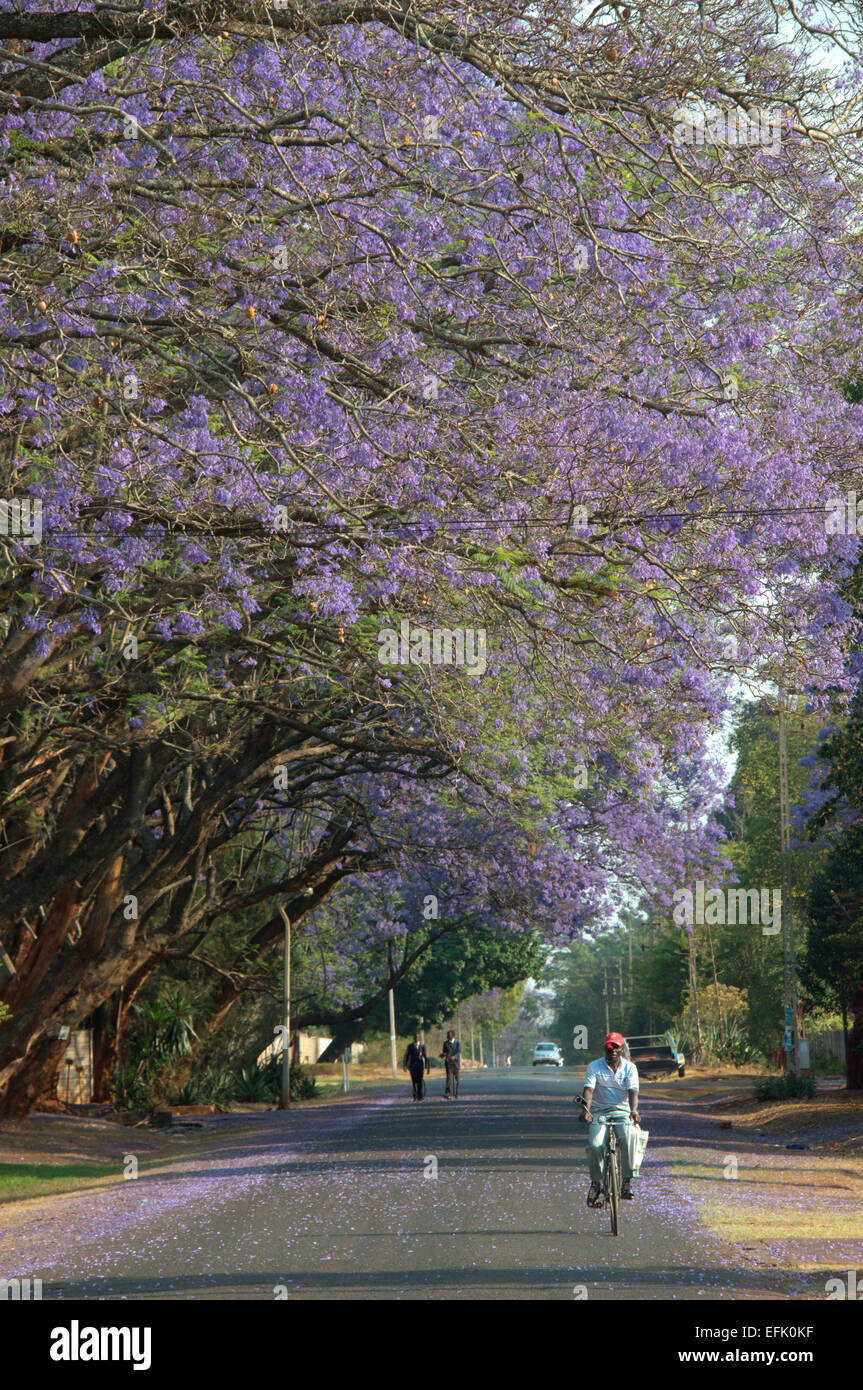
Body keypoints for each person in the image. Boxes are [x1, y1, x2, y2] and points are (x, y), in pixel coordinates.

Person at [576, 1031, 640, 1205]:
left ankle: (626, 1181)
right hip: (599, 1112)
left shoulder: (630, 1068)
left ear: (621, 1049)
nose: (612, 1050)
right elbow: (588, 1091)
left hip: (622, 1112)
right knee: (596, 1145)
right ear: (605, 1048)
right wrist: (586, 1110)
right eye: (609, 1046)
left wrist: (633, 1111)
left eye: (616, 1047)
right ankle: (596, 1183)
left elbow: (632, 1092)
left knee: (628, 1140)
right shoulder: (594, 1067)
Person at [403, 1034, 429, 1101]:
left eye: (417, 1037)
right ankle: (415, 1096)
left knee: (420, 1081)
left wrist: (427, 1067)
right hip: (412, 1066)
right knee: (414, 1082)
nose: (416, 1038)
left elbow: (425, 1057)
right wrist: (405, 1065)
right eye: (415, 1037)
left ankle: (420, 1096)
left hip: (420, 1066)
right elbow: (407, 1056)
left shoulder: (422, 1046)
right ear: (413, 1038)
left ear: (419, 1038)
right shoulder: (410, 1046)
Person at [440, 1029, 461, 1099]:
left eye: (449, 1035)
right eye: (447, 1035)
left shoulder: (457, 1043)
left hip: (455, 1064)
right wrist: (442, 1055)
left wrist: (454, 1057)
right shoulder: (445, 1043)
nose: (448, 1036)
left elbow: (458, 1052)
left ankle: (456, 1093)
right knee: (449, 1079)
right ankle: (447, 1093)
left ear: (453, 1036)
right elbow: (444, 1052)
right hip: (448, 1063)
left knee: (457, 1079)